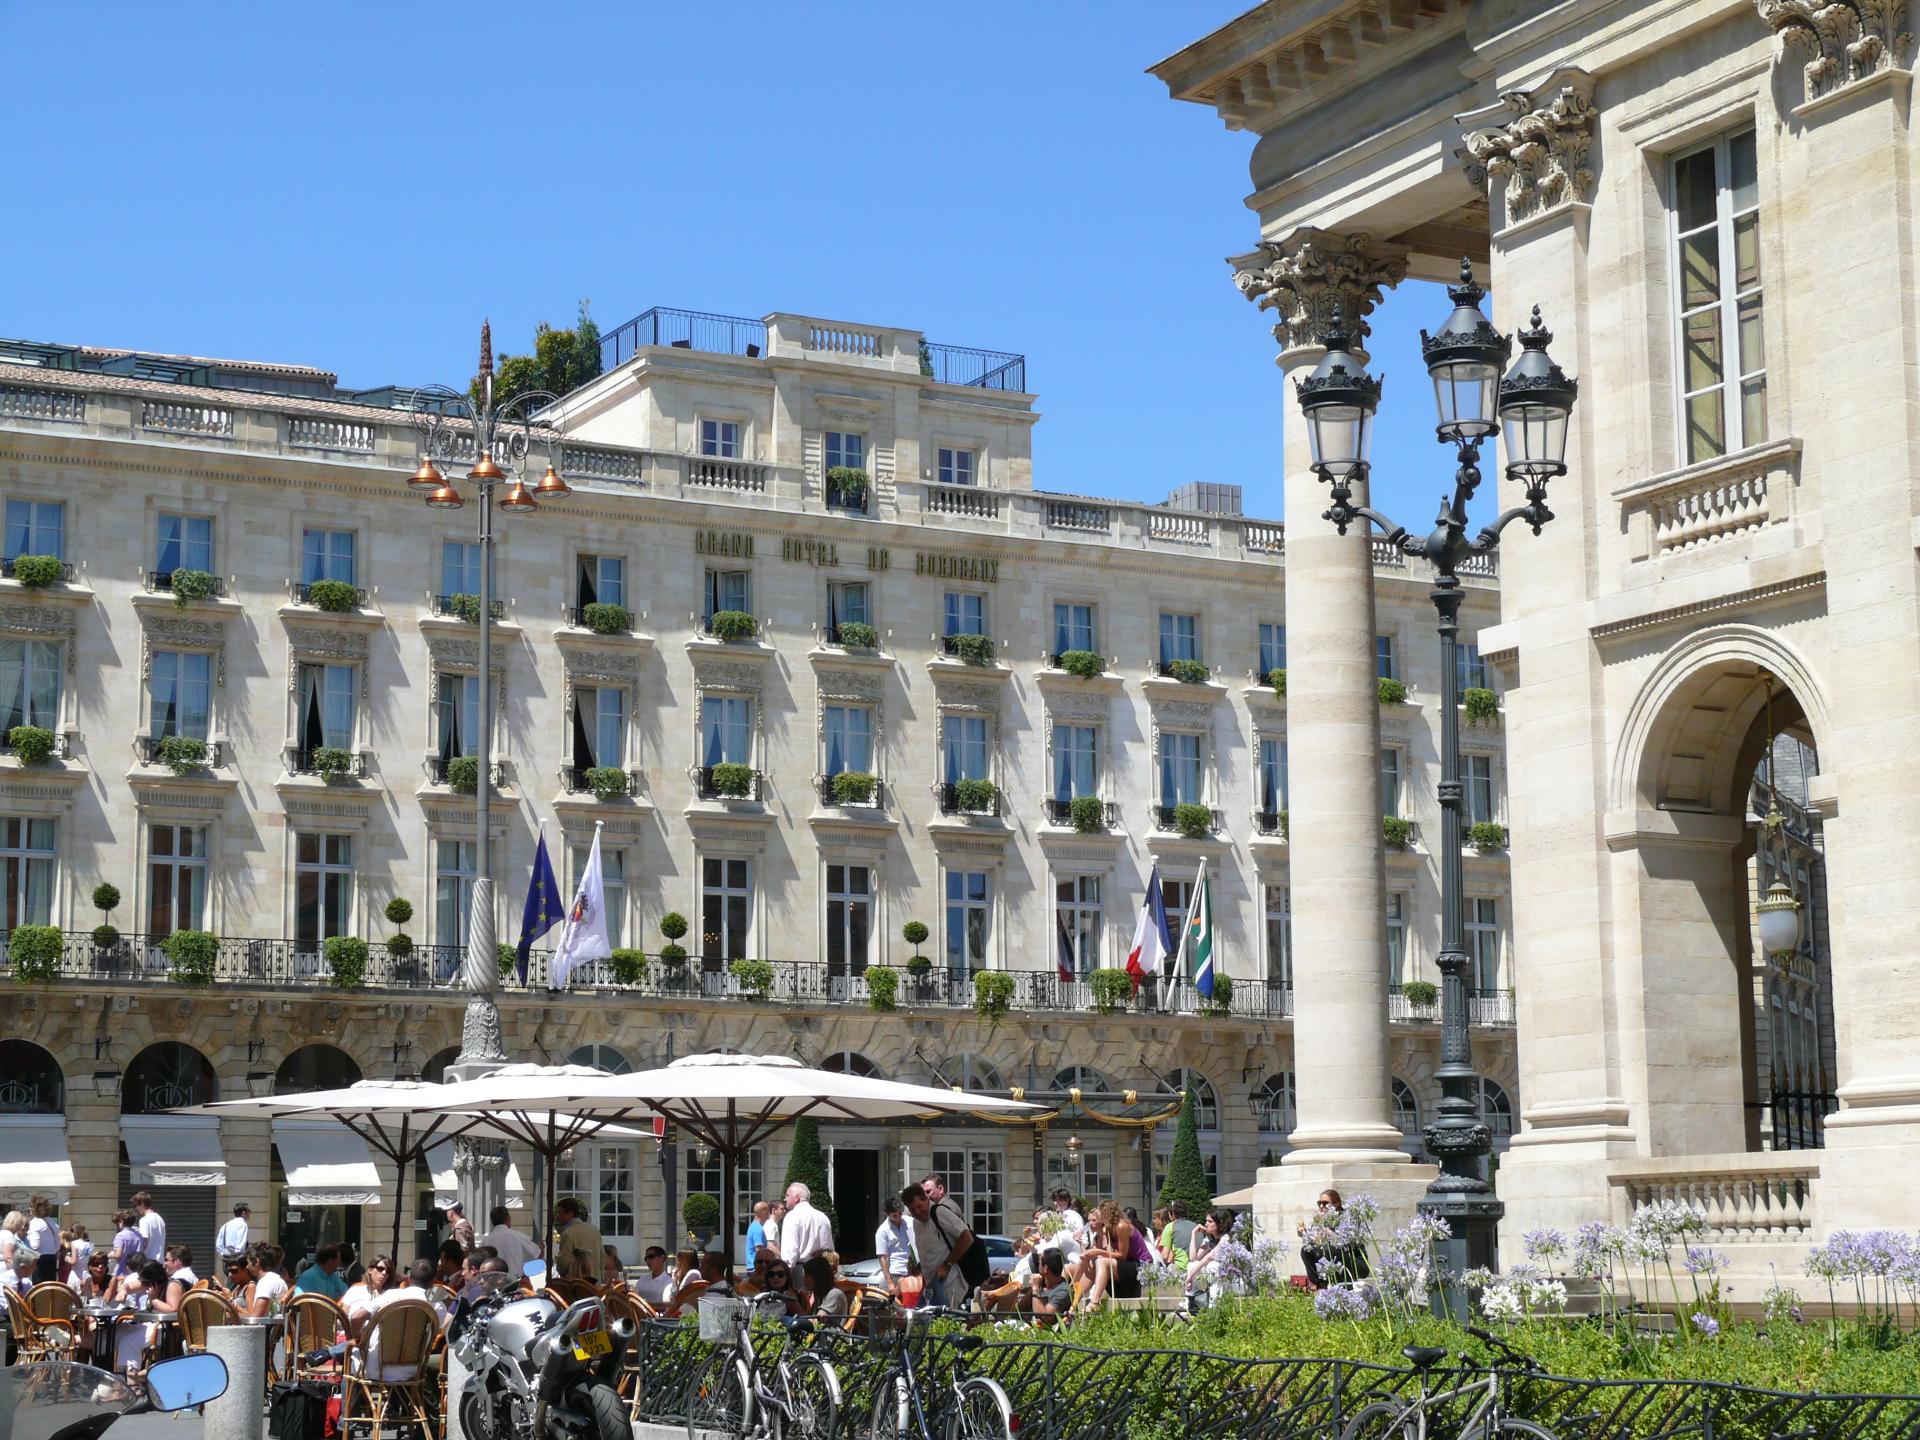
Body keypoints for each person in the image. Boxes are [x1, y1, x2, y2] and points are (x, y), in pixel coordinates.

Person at [903, 1180, 975, 1309]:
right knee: (921, 1322)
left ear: (926, 1199)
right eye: (913, 1209)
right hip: (930, 1284)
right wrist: (917, 1268)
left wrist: (947, 1264)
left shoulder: (939, 1212)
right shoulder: (916, 1223)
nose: (918, 1212)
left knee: (945, 1323)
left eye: (920, 1206)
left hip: (950, 1282)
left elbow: (967, 1238)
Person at [364, 1259, 438, 1381]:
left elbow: (356, 1317)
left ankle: (353, 1400)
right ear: (432, 1282)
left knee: (351, 1355)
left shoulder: (391, 1295)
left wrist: (360, 1338)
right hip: (414, 1370)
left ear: (408, 1278)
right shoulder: (436, 1305)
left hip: (377, 1369)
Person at [1296, 1190, 1368, 1290]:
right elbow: (1317, 1244)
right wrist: (1304, 1235)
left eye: (1325, 1203)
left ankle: (1344, 1288)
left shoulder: (1346, 1219)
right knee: (1306, 1250)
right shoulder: (1323, 1221)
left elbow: (1343, 1242)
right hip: (1335, 1261)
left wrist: (1328, 1231)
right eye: (1319, 1203)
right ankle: (1319, 1285)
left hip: (1355, 1264)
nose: (1321, 1206)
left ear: (1336, 1204)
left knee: (1330, 1248)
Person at [1078, 1202, 1141, 1310]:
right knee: (1093, 1262)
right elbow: (1109, 1252)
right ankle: (1073, 1301)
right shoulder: (1109, 1229)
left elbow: (1122, 1255)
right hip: (1125, 1264)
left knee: (1101, 1261)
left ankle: (1095, 1302)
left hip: (1139, 1265)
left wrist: (1098, 1252)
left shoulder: (1122, 1226)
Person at [778, 1182, 833, 1268]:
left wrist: (786, 1275)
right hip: (822, 1270)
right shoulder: (823, 1217)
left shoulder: (792, 1216)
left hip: (800, 1271)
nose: (785, 1199)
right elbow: (828, 1250)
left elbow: (790, 1254)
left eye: (787, 1195)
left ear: (796, 1197)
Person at [551, 1198, 604, 1283]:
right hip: (595, 1281)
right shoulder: (594, 1230)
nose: (558, 1216)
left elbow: (563, 1263)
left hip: (577, 1284)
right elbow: (602, 1257)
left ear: (570, 1213)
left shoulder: (568, 1233)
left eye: (560, 1213)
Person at [340, 1255, 392, 1341]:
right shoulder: (354, 1290)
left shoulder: (389, 1295)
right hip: (352, 1340)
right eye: (380, 1269)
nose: (384, 1273)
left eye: (388, 1271)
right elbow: (342, 1318)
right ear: (370, 1270)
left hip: (377, 1342)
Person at [480, 1204, 540, 1274]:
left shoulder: (485, 1241)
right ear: (507, 1219)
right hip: (514, 1281)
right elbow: (538, 1254)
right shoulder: (517, 1236)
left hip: (492, 1281)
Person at [873, 1195, 913, 1295]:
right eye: (894, 1216)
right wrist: (890, 1283)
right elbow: (883, 1257)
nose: (898, 1218)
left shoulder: (910, 1222)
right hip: (896, 1273)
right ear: (887, 1214)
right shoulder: (883, 1230)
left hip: (913, 1271)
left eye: (900, 1214)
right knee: (899, 1307)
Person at [243, 1244, 288, 1318]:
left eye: (248, 1262)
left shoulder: (266, 1282)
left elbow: (256, 1316)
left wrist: (233, 1315)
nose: (247, 1266)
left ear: (257, 1261)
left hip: (265, 1328)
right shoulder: (276, 1279)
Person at [801, 1254, 848, 1322]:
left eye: (807, 1276)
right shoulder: (819, 1295)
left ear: (818, 1277)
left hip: (831, 1332)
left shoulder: (834, 1294)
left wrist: (795, 1306)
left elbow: (817, 1321)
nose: (804, 1280)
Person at [1029, 1249, 1073, 1320]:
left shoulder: (1063, 1291)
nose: (1038, 1266)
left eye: (1039, 1263)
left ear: (1045, 1268)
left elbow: (1045, 1317)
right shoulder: (1041, 1282)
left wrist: (1035, 1290)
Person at [25, 1195, 60, 1283]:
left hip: (39, 1260)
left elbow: (34, 1246)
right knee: (50, 1287)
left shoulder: (35, 1223)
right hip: (52, 1259)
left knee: (38, 1289)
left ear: (34, 1208)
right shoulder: (52, 1222)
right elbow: (57, 1246)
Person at [131, 1191, 166, 1271]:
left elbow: (144, 1241)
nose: (136, 1208)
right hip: (160, 1262)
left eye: (136, 1205)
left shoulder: (144, 1220)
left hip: (149, 1263)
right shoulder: (160, 1219)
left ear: (142, 1203)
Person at [159, 1244, 198, 1308]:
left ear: (177, 1261)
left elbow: (172, 1309)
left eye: (166, 1260)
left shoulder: (176, 1280)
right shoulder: (192, 1277)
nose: (164, 1264)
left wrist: (154, 1300)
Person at [215, 1204, 251, 1271]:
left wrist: (225, 1254)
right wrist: (235, 1258)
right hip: (237, 1263)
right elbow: (241, 1245)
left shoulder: (225, 1225)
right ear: (243, 1213)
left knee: (229, 1280)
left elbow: (218, 1245)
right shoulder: (243, 1225)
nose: (250, 1213)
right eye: (249, 1211)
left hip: (226, 1262)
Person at [109, 1210, 142, 1278]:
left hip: (122, 1272)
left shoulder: (120, 1236)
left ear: (122, 1221)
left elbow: (118, 1255)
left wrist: (110, 1255)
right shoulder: (139, 1235)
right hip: (136, 1272)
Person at [744, 1201, 771, 1269]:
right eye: (768, 1211)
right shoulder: (758, 1229)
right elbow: (759, 1250)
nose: (769, 1213)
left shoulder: (753, 1226)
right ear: (763, 1212)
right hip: (756, 1268)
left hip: (753, 1266)